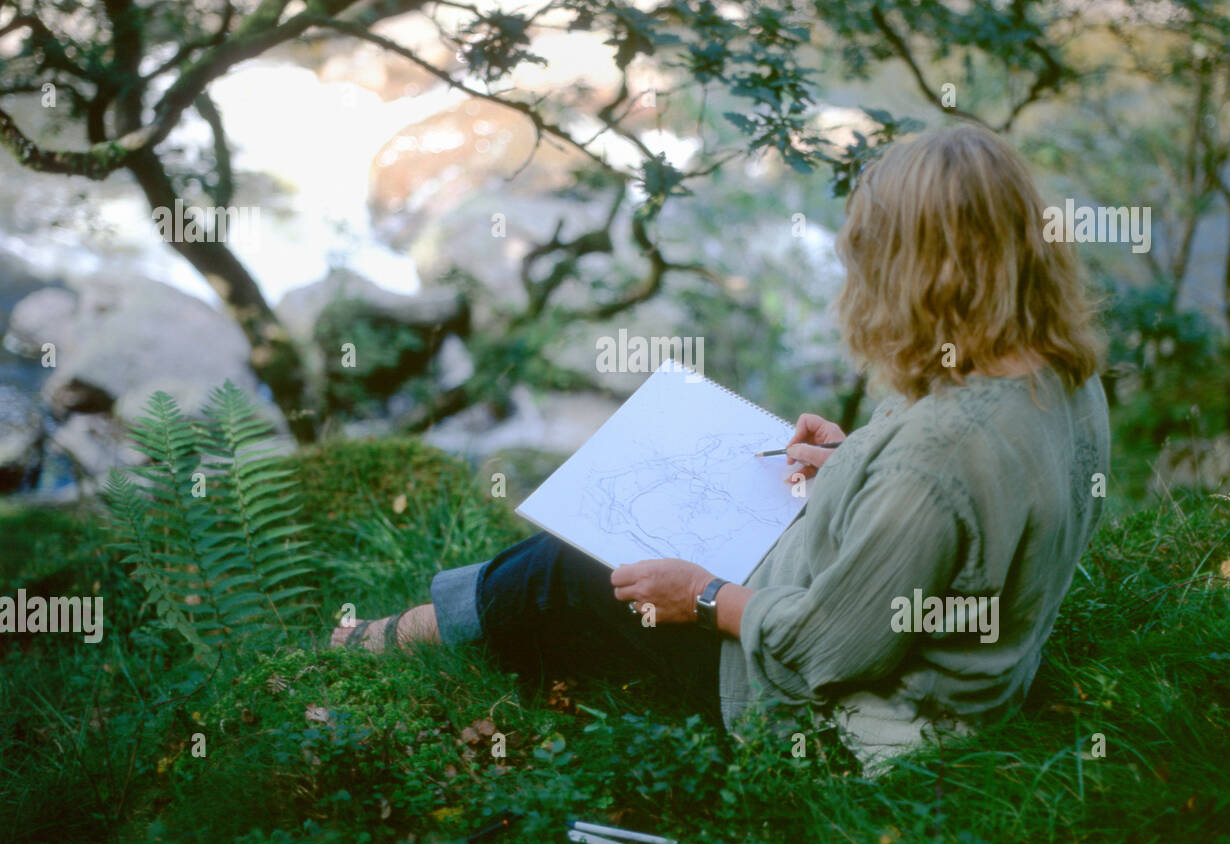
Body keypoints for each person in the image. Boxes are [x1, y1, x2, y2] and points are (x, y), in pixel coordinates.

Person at [329, 121, 1110, 772]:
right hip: (977, 670)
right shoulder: (1065, 378)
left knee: (578, 569)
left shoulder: (935, 456)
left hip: (869, 716)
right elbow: (964, 518)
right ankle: (436, 621)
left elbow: (826, 651)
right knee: (606, 544)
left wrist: (699, 595)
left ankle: (399, 636)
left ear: (919, 275)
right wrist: (852, 464)